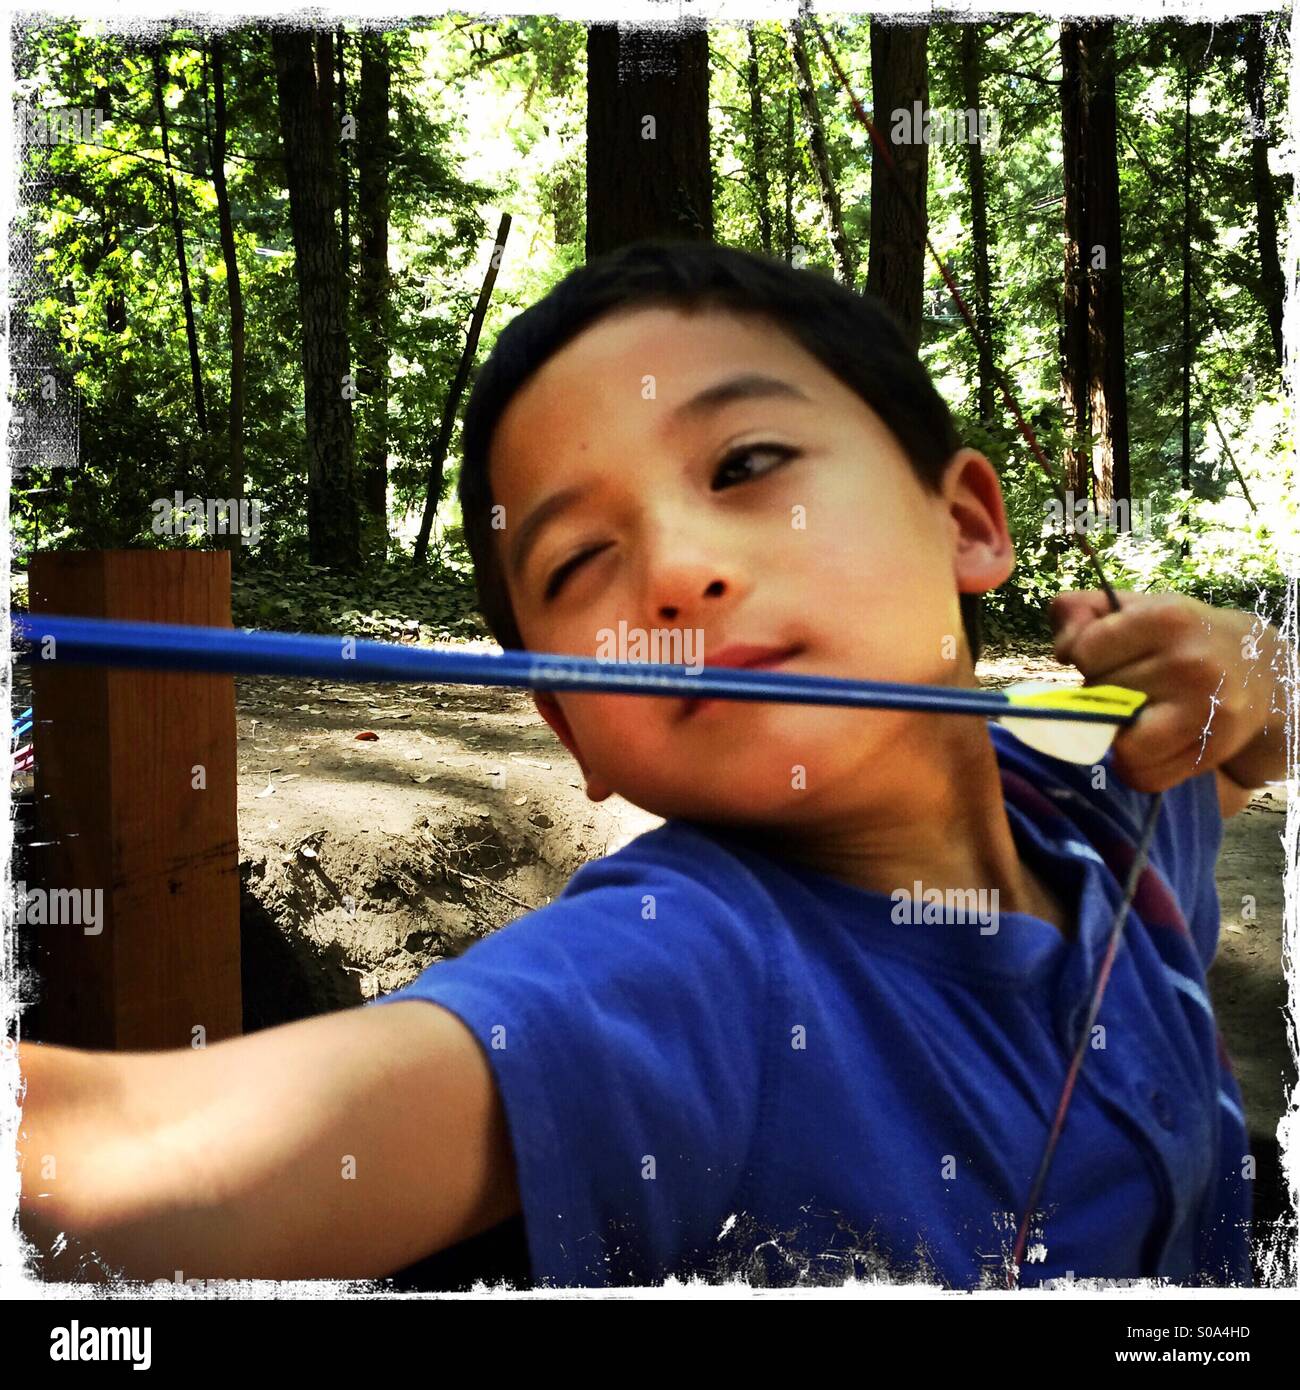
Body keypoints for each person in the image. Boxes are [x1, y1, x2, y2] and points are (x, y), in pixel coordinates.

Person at [17, 241, 1287, 1290]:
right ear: (574, 729)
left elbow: (1242, 753)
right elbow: (137, 1152)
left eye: (746, 466)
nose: (676, 571)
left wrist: (1256, 676)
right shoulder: (678, 972)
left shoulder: (1096, 790)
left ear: (964, 524)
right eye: (578, 566)